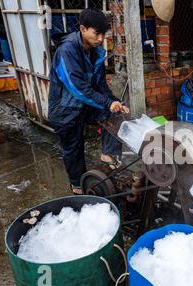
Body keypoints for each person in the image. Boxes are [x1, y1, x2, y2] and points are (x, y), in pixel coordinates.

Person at [48, 8, 129, 195]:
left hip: (84, 105)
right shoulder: (66, 50)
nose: (100, 38)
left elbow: (100, 85)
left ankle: (108, 154)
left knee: (114, 113)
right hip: (64, 110)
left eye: (103, 33)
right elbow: (78, 88)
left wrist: (115, 102)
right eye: (96, 33)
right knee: (73, 150)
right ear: (83, 29)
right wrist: (107, 102)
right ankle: (77, 186)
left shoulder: (95, 51)